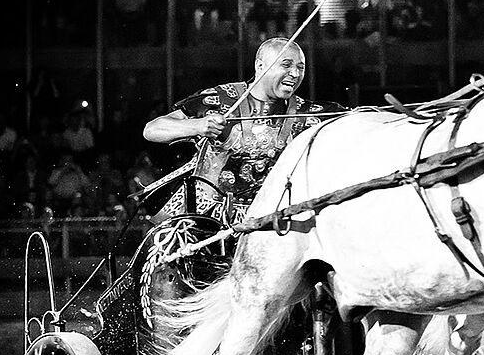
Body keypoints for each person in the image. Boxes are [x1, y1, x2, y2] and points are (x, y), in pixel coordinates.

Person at [142, 38, 345, 225]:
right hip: (203, 217)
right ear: (260, 66)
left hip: (268, 219)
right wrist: (197, 125)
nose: (295, 74)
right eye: (286, 65)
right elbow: (152, 129)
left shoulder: (308, 113)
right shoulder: (222, 99)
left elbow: (355, 121)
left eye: (300, 67)